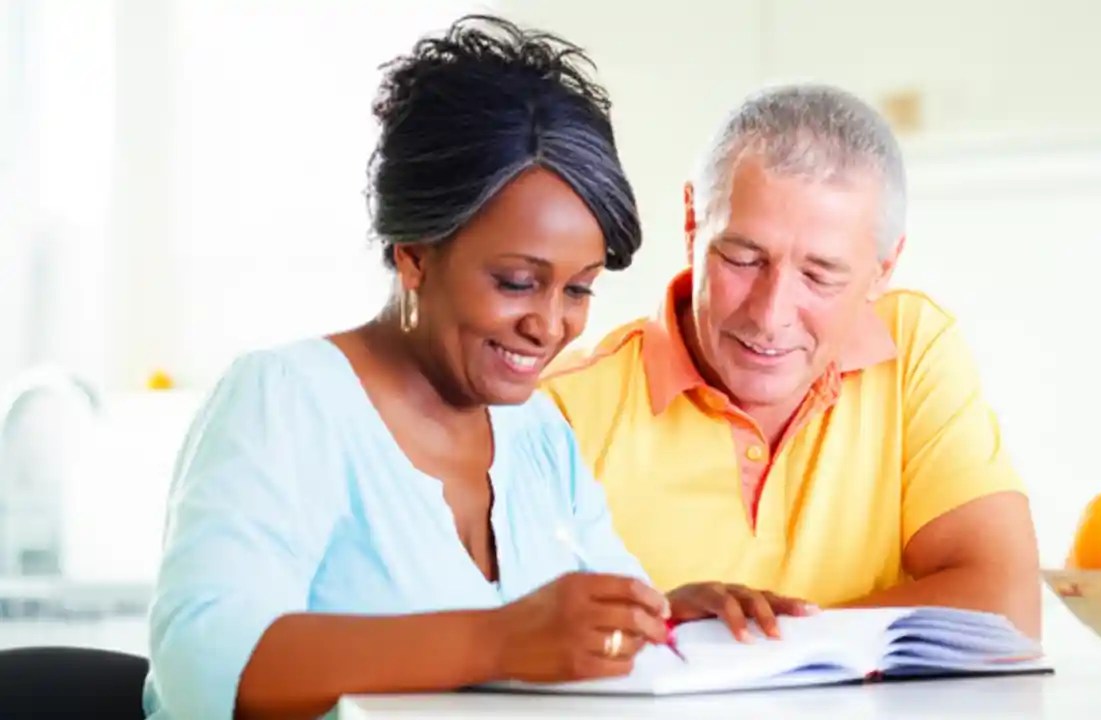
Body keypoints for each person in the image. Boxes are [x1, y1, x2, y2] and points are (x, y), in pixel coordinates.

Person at [142, 17, 810, 720]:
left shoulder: (539, 433)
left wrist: (663, 620)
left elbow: (585, 639)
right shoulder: (287, 399)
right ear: (414, 256)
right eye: (518, 282)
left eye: (578, 288)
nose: (550, 325)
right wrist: (498, 640)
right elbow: (203, 667)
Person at [539, 84, 1042, 639]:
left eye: (820, 275)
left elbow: (1006, 607)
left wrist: (740, 645)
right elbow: (520, 644)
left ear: (883, 268)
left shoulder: (913, 347)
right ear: (691, 223)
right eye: (743, 258)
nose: (771, 315)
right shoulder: (563, 408)